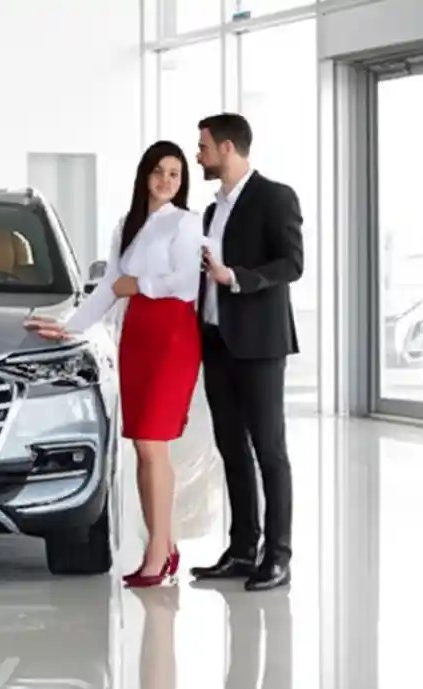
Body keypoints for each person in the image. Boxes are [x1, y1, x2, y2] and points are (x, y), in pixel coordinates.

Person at [25, 140, 204, 589]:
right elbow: (108, 286)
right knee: (143, 446)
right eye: (159, 171)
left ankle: (158, 551)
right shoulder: (129, 224)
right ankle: (164, 544)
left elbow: (185, 283)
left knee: (152, 443)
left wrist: (136, 284)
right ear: (145, 175)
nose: (166, 180)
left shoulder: (186, 223)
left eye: (175, 174)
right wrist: (70, 327)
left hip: (172, 337)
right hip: (137, 336)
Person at [190, 112, 303, 592]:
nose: (198, 155)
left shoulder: (275, 197)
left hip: (259, 344)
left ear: (227, 148)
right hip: (216, 341)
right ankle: (241, 550)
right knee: (230, 448)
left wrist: (235, 277)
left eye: (203, 147)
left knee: (269, 451)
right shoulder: (211, 211)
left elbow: (292, 264)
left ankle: (277, 557)